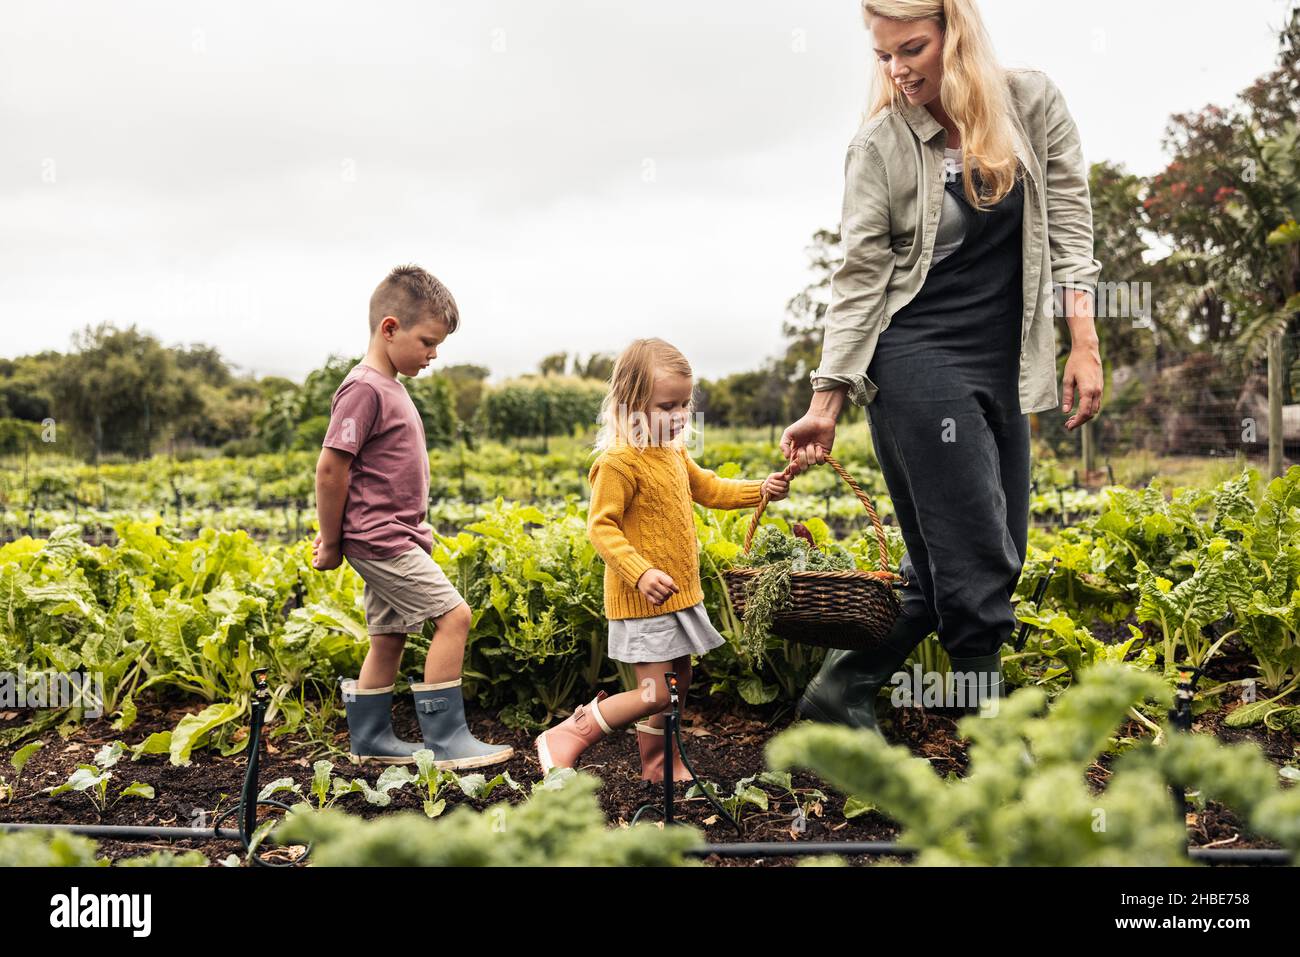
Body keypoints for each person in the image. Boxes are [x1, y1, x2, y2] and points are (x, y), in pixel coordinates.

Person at [782, 0, 1104, 733]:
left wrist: (1083, 342)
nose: (897, 70)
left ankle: (841, 690)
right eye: (883, 55)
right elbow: (859, 277)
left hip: (1005, 358)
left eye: (912, 49)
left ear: (955, 36)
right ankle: (992, 739)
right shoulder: (881, 145)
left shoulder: (1032, 103)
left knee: (981, 550)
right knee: (975, 554)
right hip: (916, 356)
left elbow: (1070, 221)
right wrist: (826, 401)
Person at [534, 338, 792, 782]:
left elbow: (709, 488)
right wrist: (641, 572)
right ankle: (570, 733)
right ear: (631, 404)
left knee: (679, 684)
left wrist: (760, 490)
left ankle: (659, 764)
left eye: (684, 405)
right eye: (666, 406)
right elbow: (601, 527)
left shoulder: (672, 452)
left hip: (679, 595)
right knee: (655, 692)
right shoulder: (619, 462)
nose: (679, 416)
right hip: (643, 599)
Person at [312, 264, 513, 769]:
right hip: (381, 539)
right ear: (390, 328)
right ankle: (447, 742)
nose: (433, 354)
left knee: (389, 636)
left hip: (394, 535)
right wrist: (331, 541)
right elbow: (331, 469)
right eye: (427, 341)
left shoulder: (390, 386)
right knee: (454, 617)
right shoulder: (364, 389)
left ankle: (371, 739)